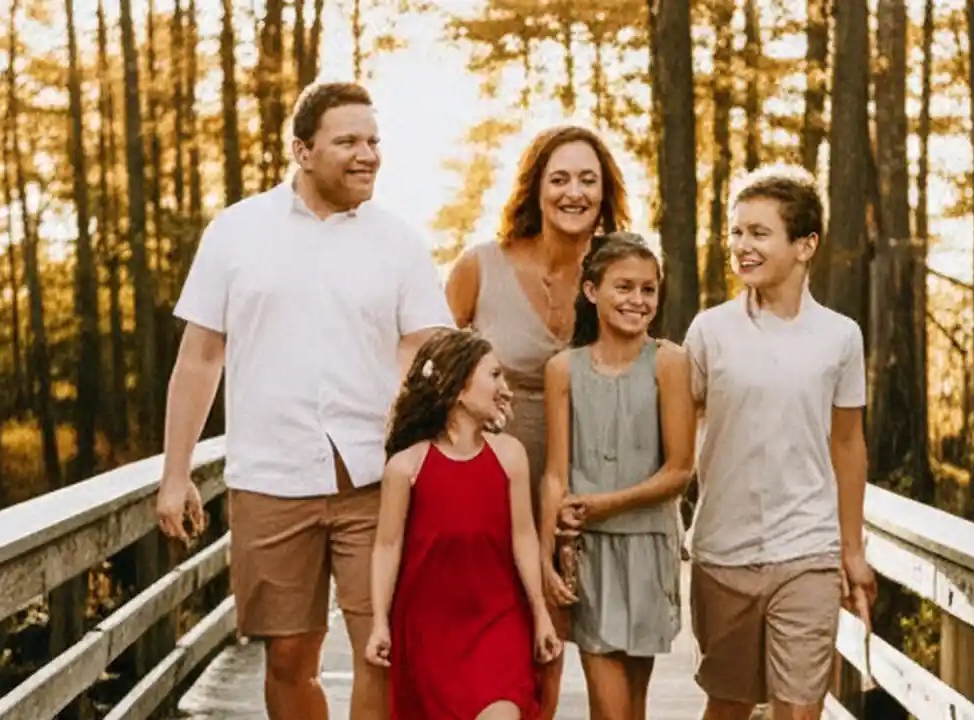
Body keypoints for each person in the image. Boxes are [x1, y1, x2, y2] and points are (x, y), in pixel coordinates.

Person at [155, 81, 453, 720]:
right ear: (302, 150)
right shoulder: (237, 232)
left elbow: (428, 348)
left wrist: (412, 424)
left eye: (374, 141)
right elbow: (201, 357)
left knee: (385, 647)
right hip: (270, 477)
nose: (367, 154)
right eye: (347, 140)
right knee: (289, 658)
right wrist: (175, 474)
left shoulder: (397, 242)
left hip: (375, 478)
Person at [444, 125, 631, 716]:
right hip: (489, 480)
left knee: (550, 644)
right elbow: (430, 380)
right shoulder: (479, 266)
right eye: (559, 179)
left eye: (587, 180)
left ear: (605, 195)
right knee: (483, 643)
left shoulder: (618, 275)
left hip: (581, 484)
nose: (573, 192)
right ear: (535, 188)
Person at [682, 164, 877, 720]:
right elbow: (674, 434)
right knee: (729, 705)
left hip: (807, 551)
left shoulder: (840, 337)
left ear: (805, 244)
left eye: (759, 233)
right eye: (736, 232)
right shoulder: (708, 331)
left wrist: (851, 551)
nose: (742, 246)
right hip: (723, 550)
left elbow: (847, 445)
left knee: (798, 708)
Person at [365, 328, 563, 720]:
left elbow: (523, 536)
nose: (505, 388)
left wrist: (540, 613)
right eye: (494, 376)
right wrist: (379, 623)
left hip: (499, 620)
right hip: (429, 632)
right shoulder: (406, 467)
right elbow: (387, 547)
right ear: (457, 388)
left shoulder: (510, 456)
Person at [536, 232, 695, 720]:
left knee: (632, 706)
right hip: (589, 552)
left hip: (649, 546)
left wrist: (607, 503)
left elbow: (679, 472)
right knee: (609, 708)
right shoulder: (563, 369)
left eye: (649, 289)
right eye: (624, 287)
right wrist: (544, 558)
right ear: (591, 291)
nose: (638, 300)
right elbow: (554, 476)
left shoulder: (669, 363)